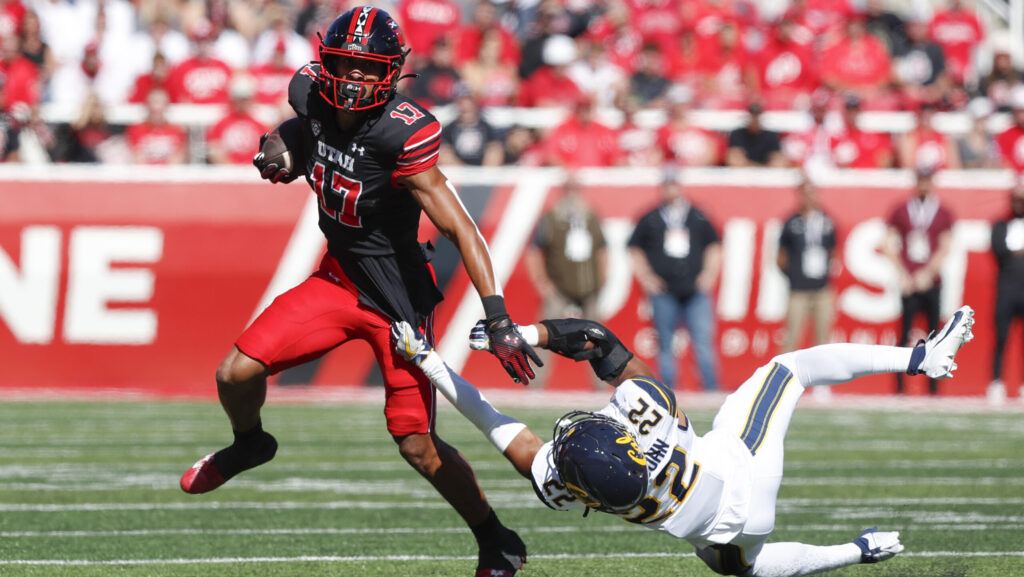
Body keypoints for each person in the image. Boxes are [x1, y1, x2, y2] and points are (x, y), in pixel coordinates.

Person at [178, 8, 539, 577]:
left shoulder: (403, 129)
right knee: (234, 373)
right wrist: (283, 145)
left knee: (417, 446)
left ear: (392, 75)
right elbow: (306, 131)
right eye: (343, 64)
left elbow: (459, 226)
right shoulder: (310, 96)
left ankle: (496, 538)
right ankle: (250, 443)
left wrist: (496, 314)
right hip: (337, 279)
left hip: (398, 307)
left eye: (366, 70)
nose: (350, 80)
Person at [390, 303, 976, 577]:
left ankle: (858, 552)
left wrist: (431, 365)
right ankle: (922, 356)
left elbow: (495, 424)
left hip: (729, 530)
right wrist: (522, 334)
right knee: (789, 368)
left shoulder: (571, 486)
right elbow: (595, 338)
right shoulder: (647, 412)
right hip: (742, 472)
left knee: (738, 571)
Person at [629, 175, 721, 390]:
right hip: (664, 290)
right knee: (665, 344)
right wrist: (646, 277)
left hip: (694, 290)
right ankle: (667, 390)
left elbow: (714, 244)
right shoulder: (651, 217)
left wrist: (709, 274)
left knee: (703, 342)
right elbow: (635, 247)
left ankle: (710, 389)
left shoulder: (697, 216)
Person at [526, 174, 608, 388]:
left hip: (589, 287)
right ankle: (537, 383)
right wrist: (542, 282)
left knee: (598, 337)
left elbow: (602, 250)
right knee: (545, 333)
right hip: (559, 287)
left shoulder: (591, 216)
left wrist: (602, 278)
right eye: (568, 190)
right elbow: (534, 252)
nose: (572, 195)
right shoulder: (552, 218)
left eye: (575, 190)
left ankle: (601, 384)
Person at [884, 165, 954, 395]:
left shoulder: (942, 212)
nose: (923, 184)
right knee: (905, 334)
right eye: (920, 179)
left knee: (934, 335)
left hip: (930, 281)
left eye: (927, 179)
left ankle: (933, 388)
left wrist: (928, 272)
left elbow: (945, 246)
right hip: (909, 280)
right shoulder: (902, 210)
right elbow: (889, 243)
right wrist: (903, 273)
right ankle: (899, 387)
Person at [777, 179, 837, 354]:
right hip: (798, 290)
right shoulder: (791, 223)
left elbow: (833, 251)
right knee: (792, 337)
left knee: (823, 339)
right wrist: (794, 274)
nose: (809, 197)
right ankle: (785, 378)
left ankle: (822, 380)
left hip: (822, 288)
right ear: (799, 195)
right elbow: (781, 257)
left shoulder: (827, 221)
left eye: (813, 192)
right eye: (805, 193)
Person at [987, 183, 1024, 404]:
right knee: (1001, 338)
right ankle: (996, 382)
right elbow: (999, 250)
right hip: (1007, 290)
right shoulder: (1001, 224)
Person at [726, 102, 786, 167]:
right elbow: (734, 160)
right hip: (742, 174)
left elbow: (778, 160)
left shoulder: (771, 136)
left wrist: (752, 166)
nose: (754, 119)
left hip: (764, 174)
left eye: (757, 116)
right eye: (752, 116)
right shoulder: (737, 134)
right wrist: (763, 167)